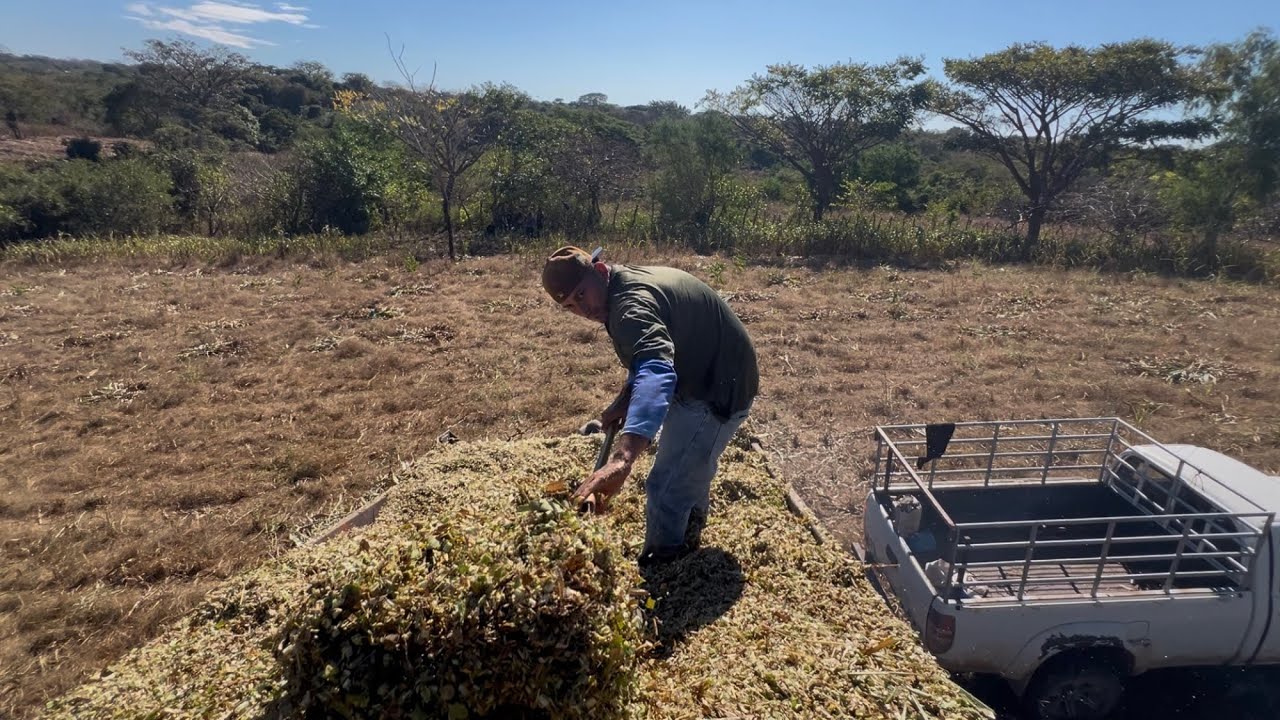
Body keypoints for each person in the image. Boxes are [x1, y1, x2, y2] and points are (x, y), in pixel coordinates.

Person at [540, 245, 759, 565]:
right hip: (703, 366)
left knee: (666, 486)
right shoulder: (619, 286)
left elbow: (655, 369)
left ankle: (663, 563)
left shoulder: (628, 308)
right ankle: (692, 521)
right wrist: (625, 400)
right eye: (571, 305)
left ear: (599, 271)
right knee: (686, 459)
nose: (583, 310)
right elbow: (647, 354)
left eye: (582, 295)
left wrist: (623, 458)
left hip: (717, 385)